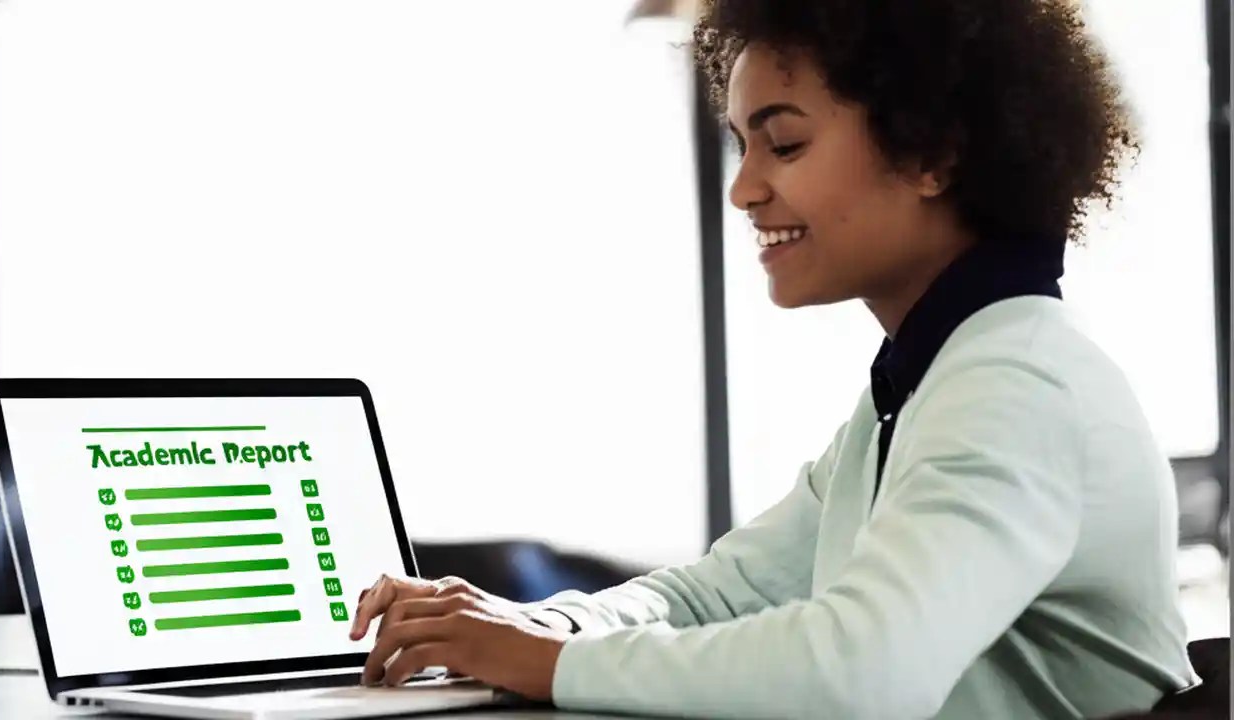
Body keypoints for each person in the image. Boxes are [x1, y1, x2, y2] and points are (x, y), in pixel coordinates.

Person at [348, 0, 1197, 717]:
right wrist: (540, 627)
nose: (745, 188)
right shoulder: (923, 386)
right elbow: (712, 595)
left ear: (933, 152)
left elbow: (862, 671)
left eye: (783, 144)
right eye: (742, 146)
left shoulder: (1017, 385)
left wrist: (545, 665)